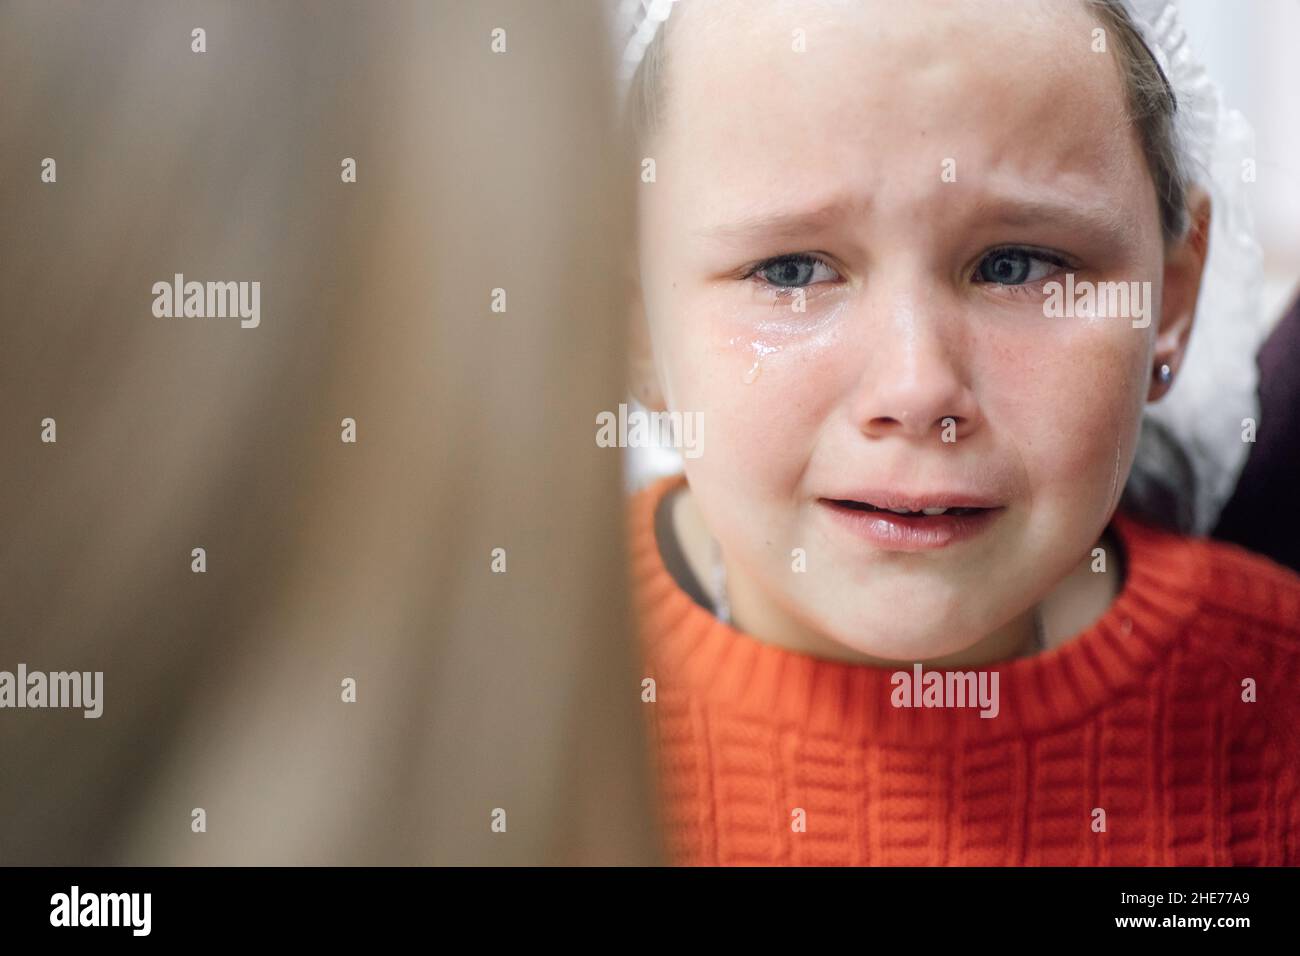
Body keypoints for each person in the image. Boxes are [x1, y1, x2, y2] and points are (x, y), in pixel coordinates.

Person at [621, 0, 1300, 865]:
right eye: (791, 272)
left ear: (1169, 304)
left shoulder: (1271, 709)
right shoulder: (508, 687)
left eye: (1016, 265)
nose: (916, 388)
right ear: (639, 327)